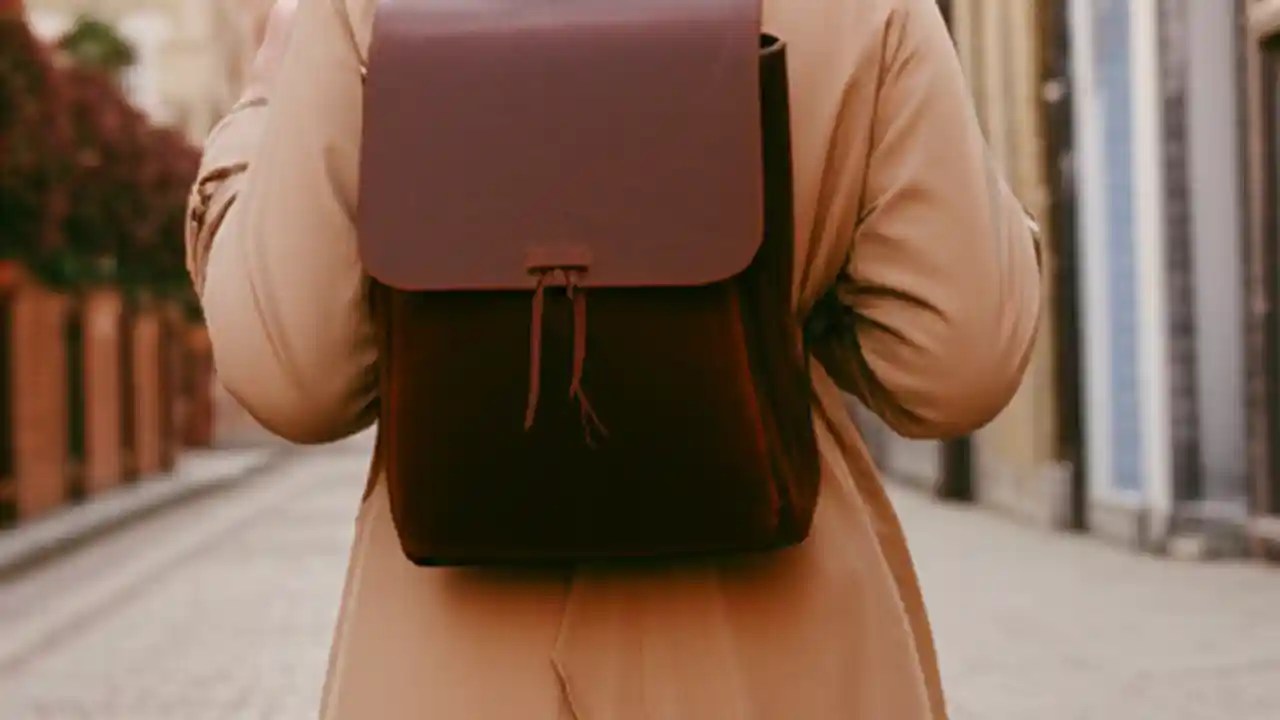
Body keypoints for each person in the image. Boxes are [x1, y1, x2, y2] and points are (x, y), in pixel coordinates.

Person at [186, 0, 1041, 717]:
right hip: (778, 646)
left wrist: (260, 115)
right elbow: (955, 363)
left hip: (456, 655)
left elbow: (297, 375)